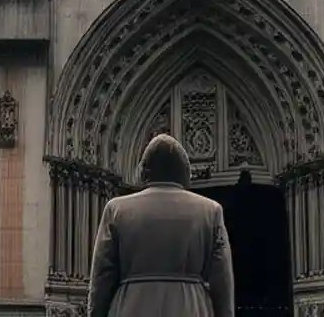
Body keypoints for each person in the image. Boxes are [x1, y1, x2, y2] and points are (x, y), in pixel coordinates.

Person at [87, 134, 234, 317]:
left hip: (131, 307)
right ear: (185, 172)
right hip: (191, 308)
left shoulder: (116, 209)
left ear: (144, 171)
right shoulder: (210, 211)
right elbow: (222, 281)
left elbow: (102, 277)